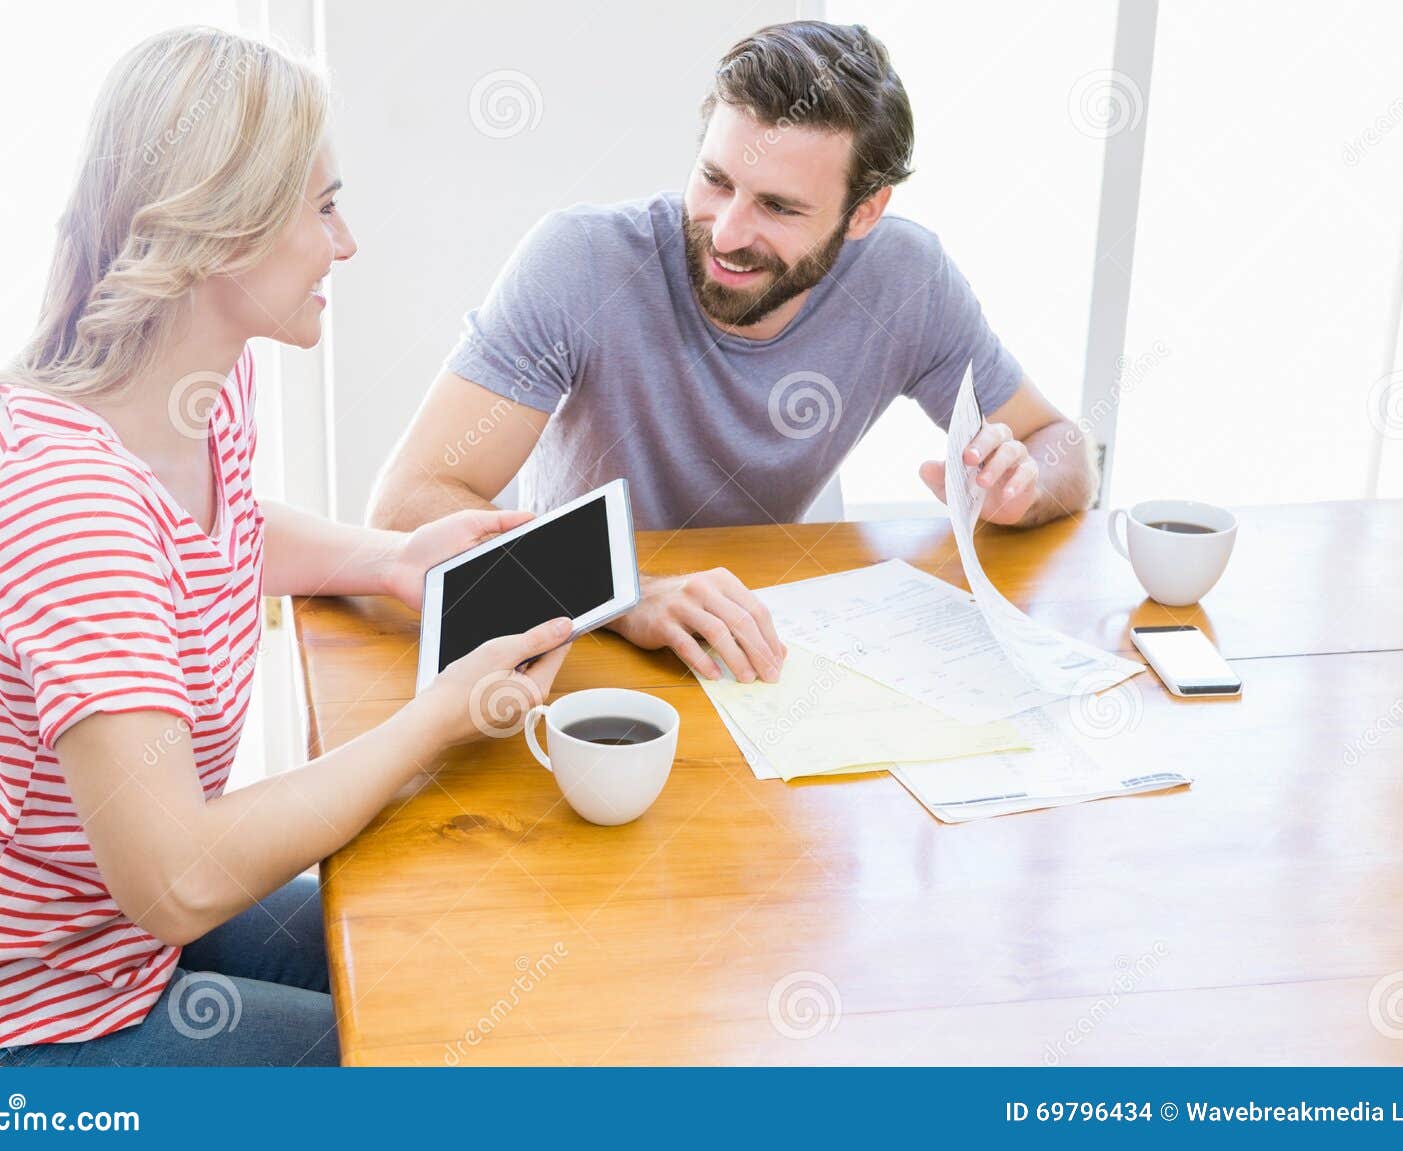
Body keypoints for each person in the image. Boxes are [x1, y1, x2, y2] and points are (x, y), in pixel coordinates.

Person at [0, 26, 573, 1069]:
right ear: (223, 234)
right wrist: (437, 720)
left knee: (437, 953)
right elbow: (180, 876)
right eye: (324, 207)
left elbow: (210, 533)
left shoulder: (193, 374)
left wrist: (385, 558)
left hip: (113, 944)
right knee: (433, 1056)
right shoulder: (69, 497)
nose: (347, 243)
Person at [367, 20, 1096, 687]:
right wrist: (627, 593)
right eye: (716, 181)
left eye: (778, 207)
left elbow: (1063, 446)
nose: (724, 232)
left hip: (760, 649)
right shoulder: (580, 262)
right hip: (573, 653)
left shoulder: (908, 280)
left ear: (865, 211)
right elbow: (405, 508)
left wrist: (1026, 483)